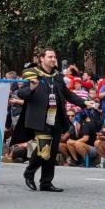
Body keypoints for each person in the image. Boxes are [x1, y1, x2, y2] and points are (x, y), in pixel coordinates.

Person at [12, 48, 93, 192]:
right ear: (42, 59)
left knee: (52, 151)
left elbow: (68, 94)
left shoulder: (58, 76)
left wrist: (85, 103)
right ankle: (29, 172)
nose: (53, 59)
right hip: (38, 118)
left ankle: (46, 182)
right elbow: (21, 93)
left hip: (56, 117)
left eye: (54, 56)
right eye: (50, 56)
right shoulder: (32, 74)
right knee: (44, 150)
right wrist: (31, 87)